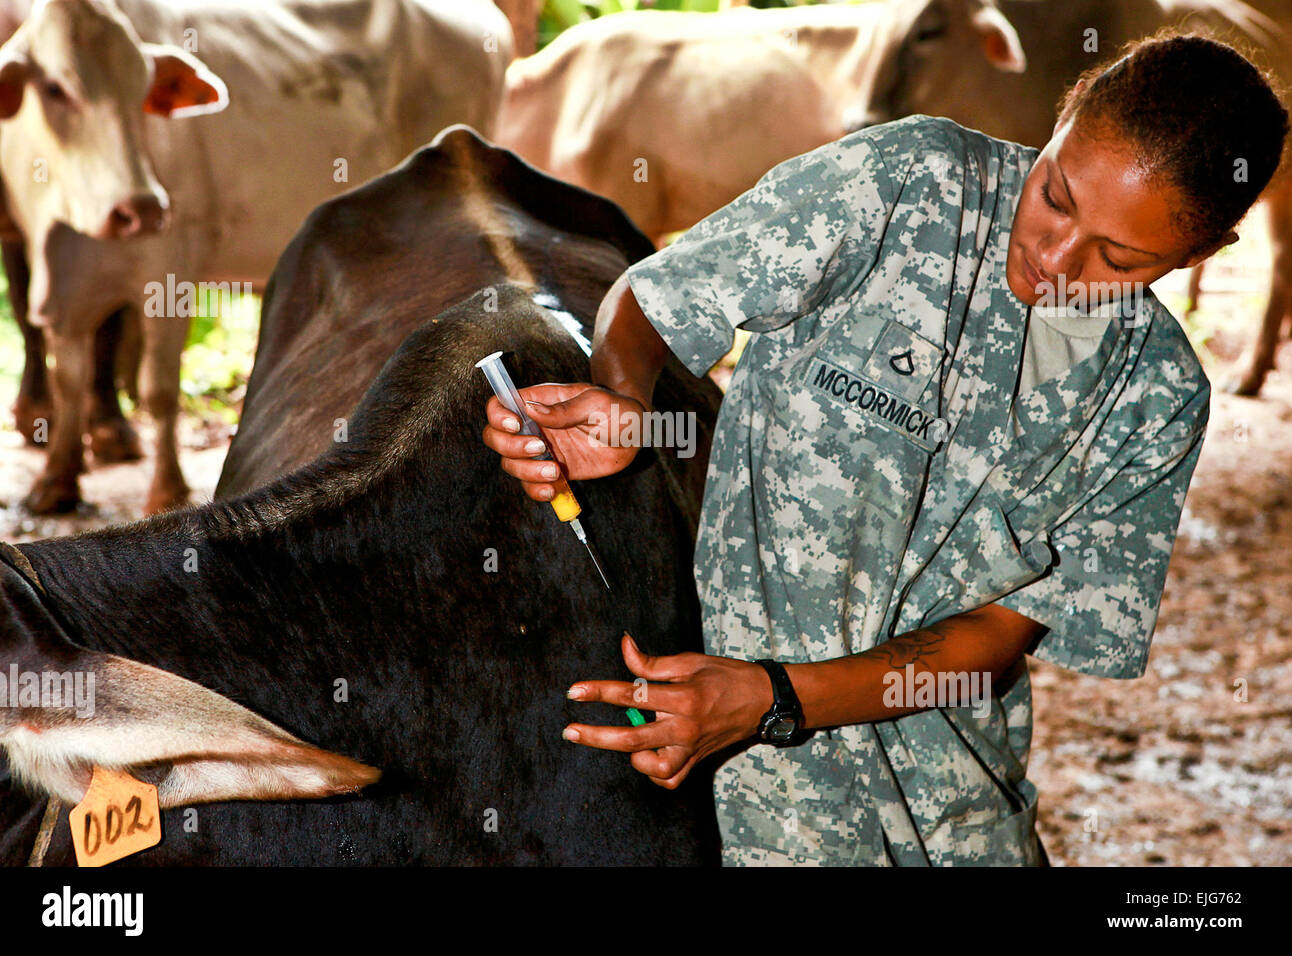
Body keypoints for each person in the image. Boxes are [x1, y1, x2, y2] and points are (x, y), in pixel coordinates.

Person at [482, 33, 1288, 865]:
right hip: (734, 786)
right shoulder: (907, 180)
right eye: (1054, 194)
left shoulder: (1156, 398)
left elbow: (998, 636)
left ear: (1200, 256)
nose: (1054, 257)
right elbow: (659, 295)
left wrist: (773, 698)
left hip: (950, 807)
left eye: (1117, 258)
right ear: (1062, 119)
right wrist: (623, 396)